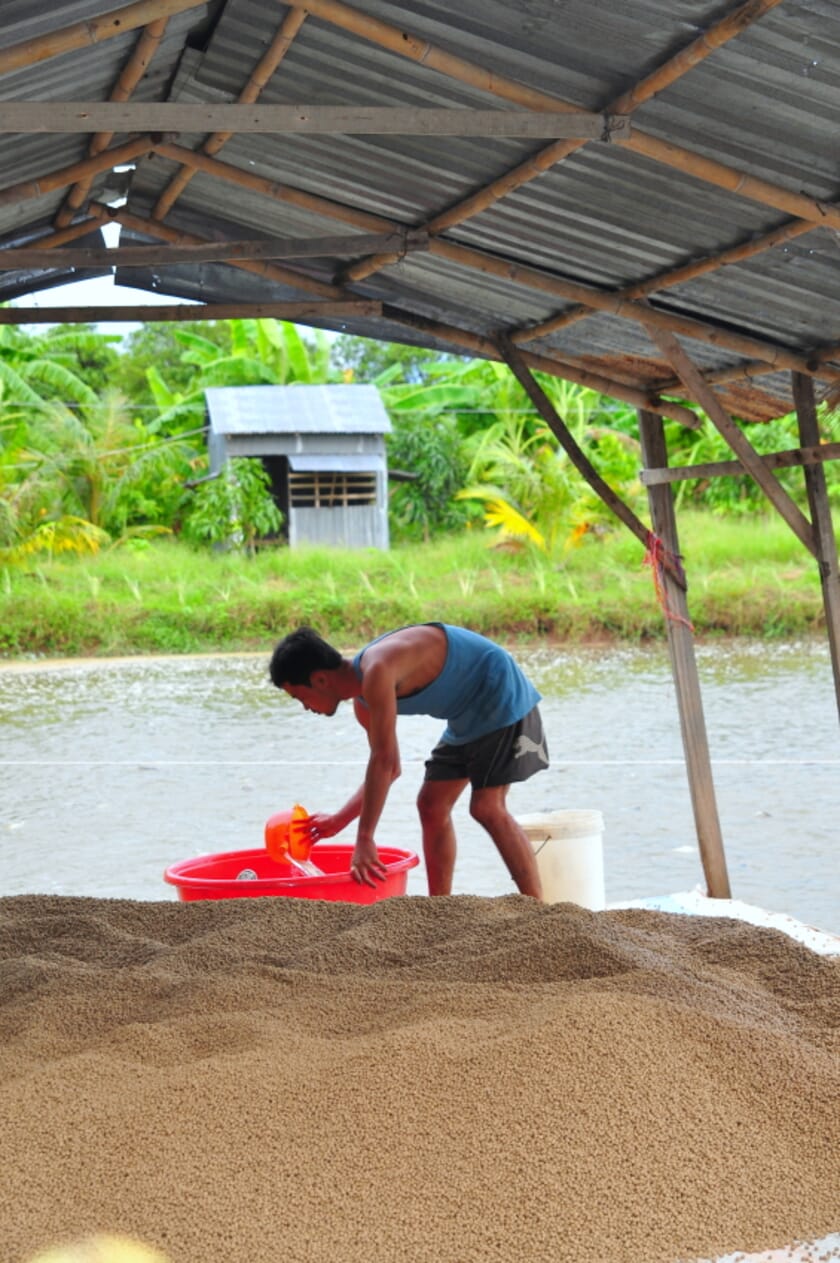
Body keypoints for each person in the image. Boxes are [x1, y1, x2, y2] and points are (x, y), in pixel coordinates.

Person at [269, 623, 549, 897]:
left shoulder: (377, 669)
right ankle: (440, 907)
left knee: (486, 807)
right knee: (431, 805)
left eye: (299, 696)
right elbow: (389, 769)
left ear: (319, 679)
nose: (305, 707)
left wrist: (365, 839)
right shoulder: (363, 703)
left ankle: (539, 908)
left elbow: (384, 763)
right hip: (465, 717)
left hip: (499, 691)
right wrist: (340, 820)